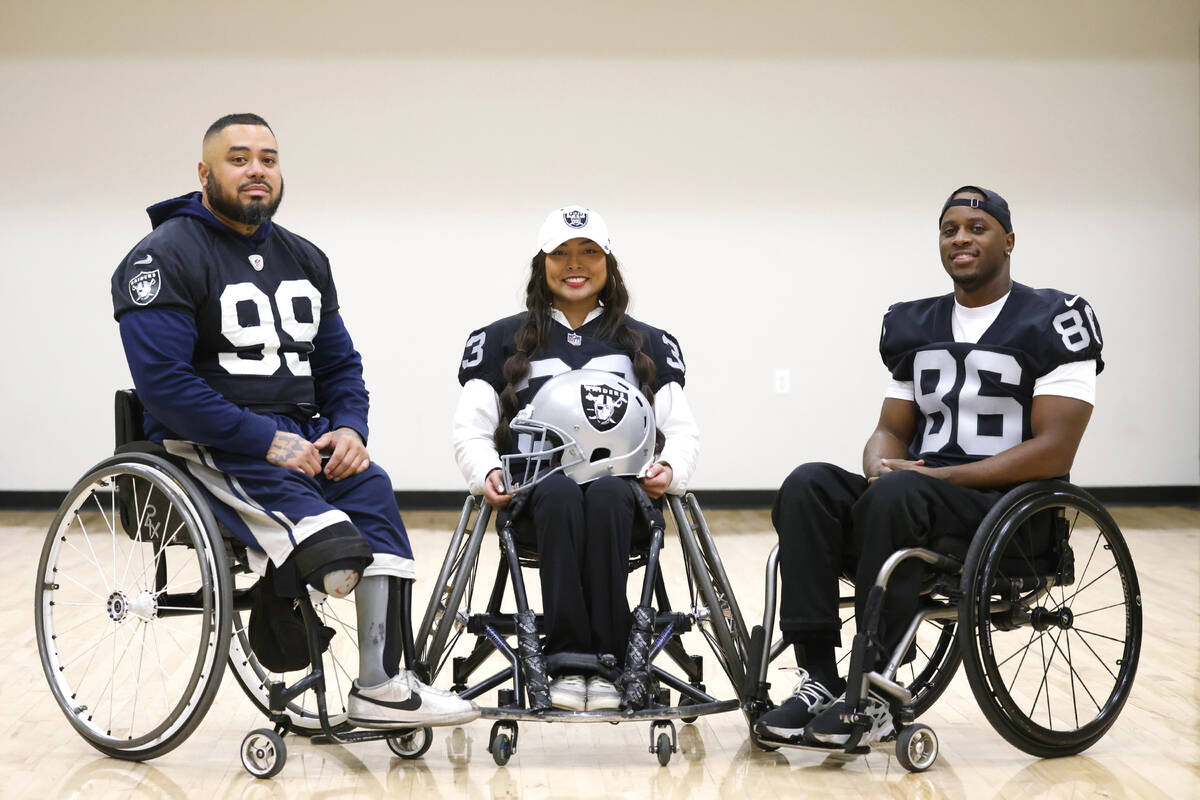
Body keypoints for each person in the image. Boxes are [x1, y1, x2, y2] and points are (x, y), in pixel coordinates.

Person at [111, 113, 478, 729]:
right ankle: (285, 607)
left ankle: (382, 685)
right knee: (334, 550)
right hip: (208, 446)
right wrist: (264, 440)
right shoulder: (161, 257)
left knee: (374, 495)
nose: (257, 169)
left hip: (302, 438)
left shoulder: (305, 257)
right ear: (204, 173)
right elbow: (166, 387)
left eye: (269, 158)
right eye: (239, 158)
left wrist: (350, 428)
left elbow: (340, 364)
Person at [754, 186, 1103, 746]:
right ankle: (818, 677)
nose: (961, 237)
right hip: (920, 496)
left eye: (977, 227)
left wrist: (935, 478)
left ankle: (876, 690)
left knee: (900, 496)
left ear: (1008, 241)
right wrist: (878, 462)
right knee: (808, 483)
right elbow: (892, 427)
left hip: (1005, 509)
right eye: (949, 229)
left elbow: (1056, 450)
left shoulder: (1054, 318)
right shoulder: (913, 324)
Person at [452, 206, 701, 711]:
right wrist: (487, 471)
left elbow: (682, 433)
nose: (575, 263)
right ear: (541, 263)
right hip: (535, 499)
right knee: (560, 493)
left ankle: (607, 662)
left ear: (608, 261)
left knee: (608, 494)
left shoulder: (646, 342)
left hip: (623, 498)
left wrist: (670, 468)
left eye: (589, 251)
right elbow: (471, 431)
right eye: (560, 252)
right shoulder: (500, 339)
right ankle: (567, 660)